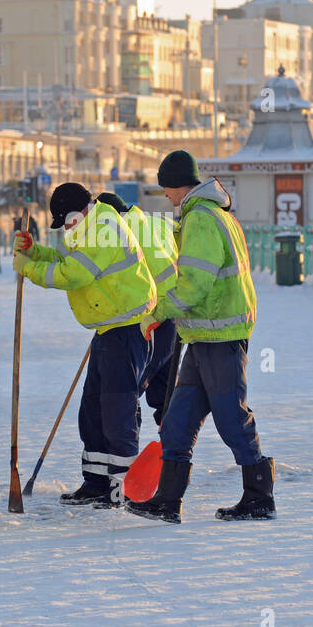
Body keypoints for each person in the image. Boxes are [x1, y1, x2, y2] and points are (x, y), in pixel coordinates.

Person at [126, 150, 273, 524]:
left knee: (230, 417)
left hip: (220, 335)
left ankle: (259, 497)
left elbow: (195, 283)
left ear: (179, 185)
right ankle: (167, 501)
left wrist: (159, 312)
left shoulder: (202, 219)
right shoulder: (213, 214)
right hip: (203, 335)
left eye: (166, 189)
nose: (166, 197)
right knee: (178, 420)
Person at [14, 183, 156, 506]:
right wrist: (34, 252)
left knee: (117, 409)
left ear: (80, 212)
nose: (64, 229)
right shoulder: (86, 228)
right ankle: (96, 482)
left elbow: (74, 273)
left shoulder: (105, 228)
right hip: (108, 329)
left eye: (65, 221)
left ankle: (122, 487)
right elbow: (62, 258)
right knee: (92, 409)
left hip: (128, 328)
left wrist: (31, 270)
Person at [95, 191, 179, 425]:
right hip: (173, 315)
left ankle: (130, 448)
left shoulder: (122, 232)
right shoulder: (155, 222)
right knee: (165, 392)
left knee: (129, 389)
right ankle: (172, 453)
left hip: (148, 320)